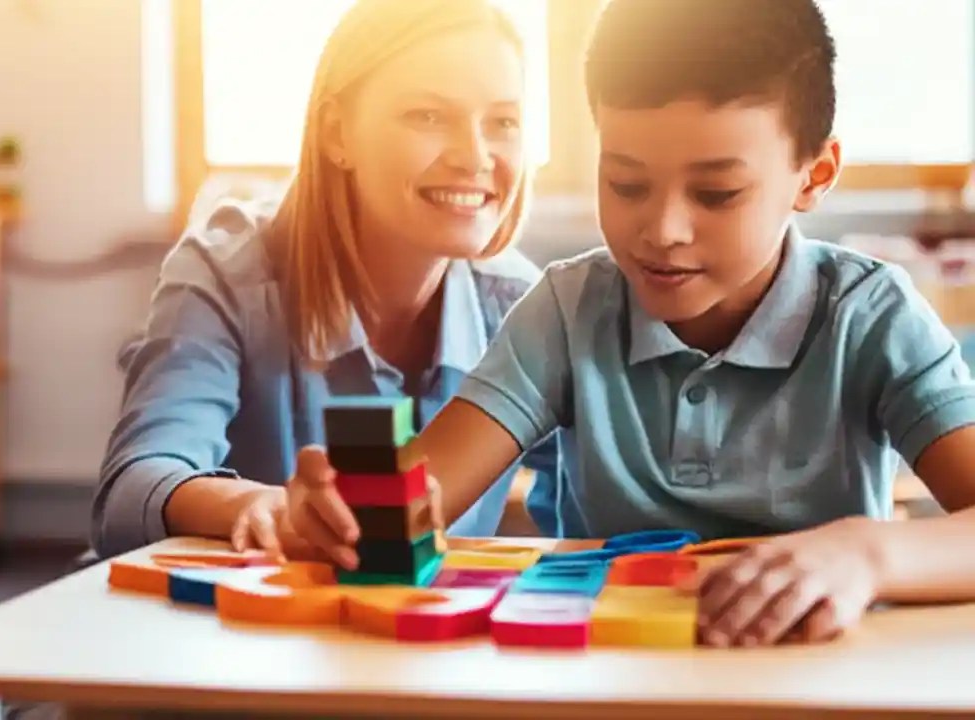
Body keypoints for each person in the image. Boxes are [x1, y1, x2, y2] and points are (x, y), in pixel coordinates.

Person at [280, 0, 975, 649]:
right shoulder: (567, 309)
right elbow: (422, 497)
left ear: (813, 174)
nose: (663, 231)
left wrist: (866, 553)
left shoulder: (873, 315)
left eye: (716, 193)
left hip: (811, 682)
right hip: (609, 678)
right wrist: (351, 515)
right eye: (627, 184)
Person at [89, 0, 562, 564]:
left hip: (411, 640)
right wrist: (256, 507)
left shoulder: (524, 305)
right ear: (337, 131)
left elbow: (596, 503)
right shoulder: (229, 273)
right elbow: (130, 492)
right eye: (429, 116)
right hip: (229, 637)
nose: (475, 155)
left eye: (503, 122)